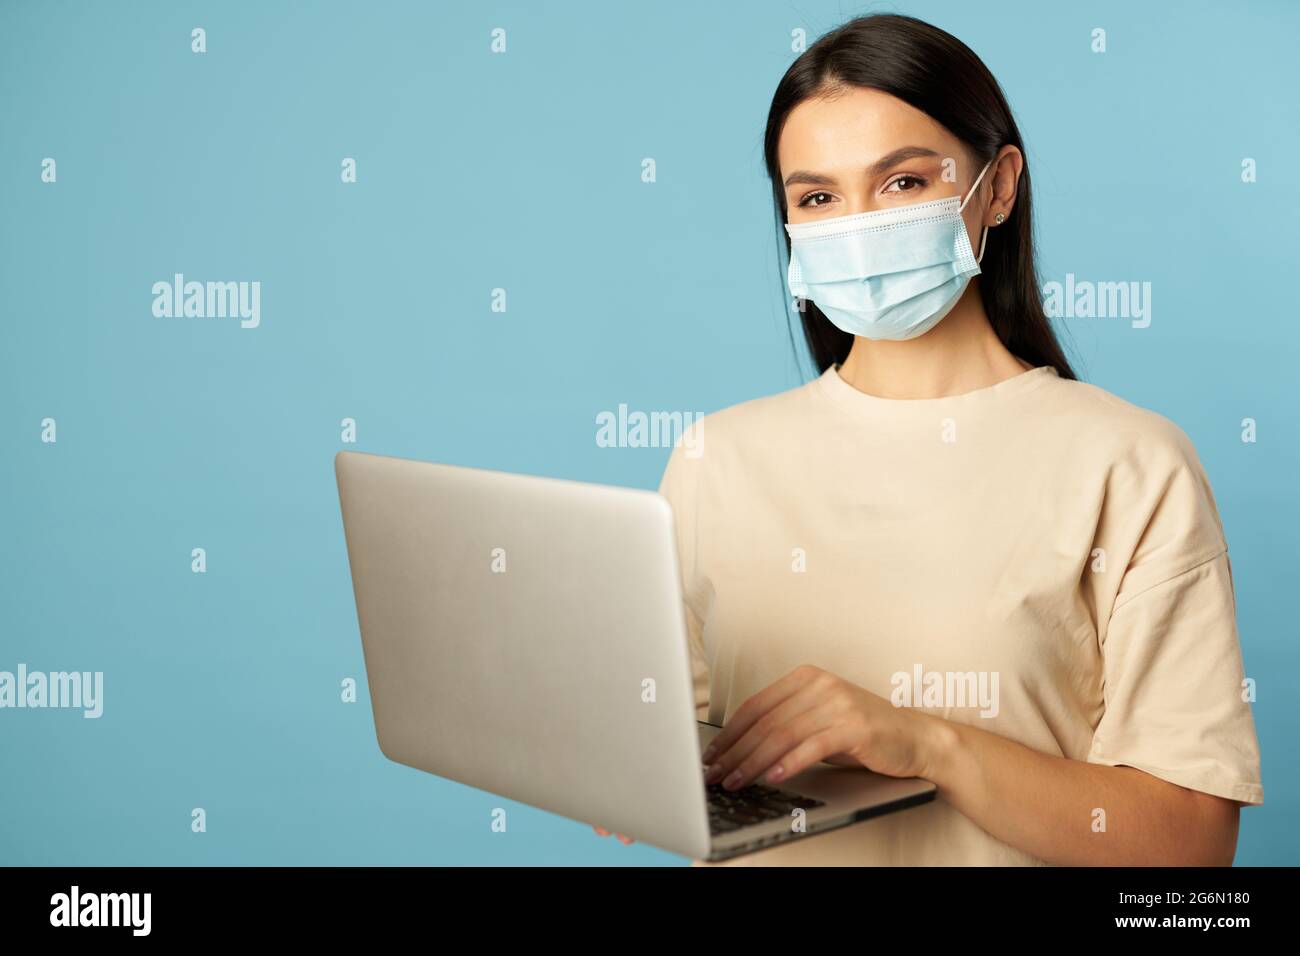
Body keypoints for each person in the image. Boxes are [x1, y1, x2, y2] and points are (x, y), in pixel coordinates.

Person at [597, 12, 1262, 866]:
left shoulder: (1130, 466)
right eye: (818, 197)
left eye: (904, 183)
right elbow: (673, 750)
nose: (858, 227)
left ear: (998, 185)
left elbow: (1192, 847)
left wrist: (927, 745)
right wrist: (627, 772)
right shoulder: (711, 461)